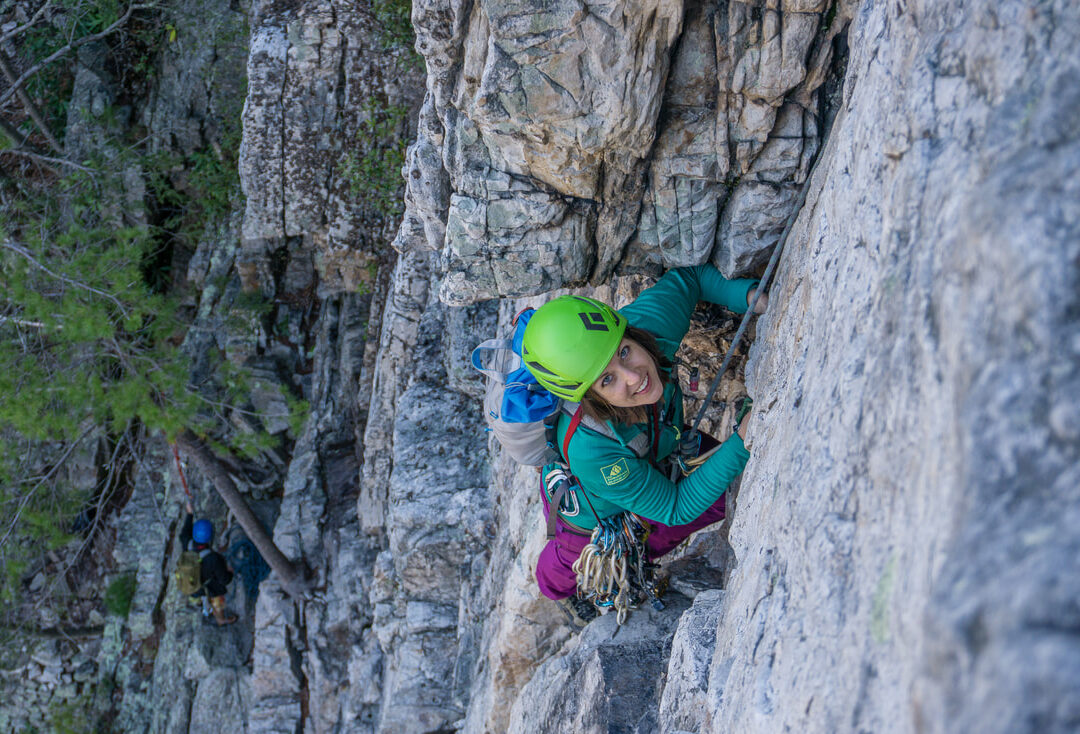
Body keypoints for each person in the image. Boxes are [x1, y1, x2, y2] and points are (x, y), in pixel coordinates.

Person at [522, 264, 767, 602]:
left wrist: (749, 296)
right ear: (591, 397)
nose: (634, 377)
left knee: (731, 487)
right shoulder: (594, 449)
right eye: (607, 380)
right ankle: (563, 598)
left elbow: (688, 281)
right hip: (587, 511)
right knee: (561, 569)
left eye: (624, 352)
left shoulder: (640, 334)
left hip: (653, 452)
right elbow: (675, 507)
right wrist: (742, 440)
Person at [181, 502, 237, 625]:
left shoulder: (186, 542)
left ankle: (197, 602)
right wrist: (230, 572)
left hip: (188, 584)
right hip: (204, 587)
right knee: (218, 590)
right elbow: (225, 580)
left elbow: (185, 530)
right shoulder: (213, 558)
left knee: (198, 587)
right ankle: (220, 618)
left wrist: (189, 513)